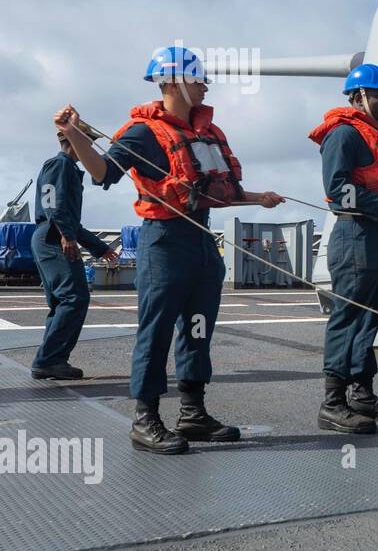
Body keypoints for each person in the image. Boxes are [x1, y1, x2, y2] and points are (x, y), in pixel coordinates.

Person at [55, 45, 284, 454]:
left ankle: (193, 413)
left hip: (201, 242)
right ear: (174, 81)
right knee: (157, 329)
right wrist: (74, 133)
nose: (204, 87)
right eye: (198, 80)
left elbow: (219, 190)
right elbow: (104, 172)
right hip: (164, 242)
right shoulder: (142, 132)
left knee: (197, 327)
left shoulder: (208, 132)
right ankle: (146, 419)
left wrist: (257, 197)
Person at [309, 63, 378, 433]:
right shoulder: (343, 135)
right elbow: (340, 190)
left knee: (369, 317)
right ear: (357, 97)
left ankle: (362, 393)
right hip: (354, 235)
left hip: (377, 235)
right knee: (348, 316)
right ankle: (333, 402)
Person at [30, 123, 119, 380]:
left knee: (62, 301)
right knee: (74, 298)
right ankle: (49, 360)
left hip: (54, 234)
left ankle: (50, 359)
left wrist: (100, 248)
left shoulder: (68, 169)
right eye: (87, 142)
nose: (88, 148)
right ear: (73, 141)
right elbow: (52, 203)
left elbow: (71, 220)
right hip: (52, 236)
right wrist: (66, 236)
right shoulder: (58, 165)